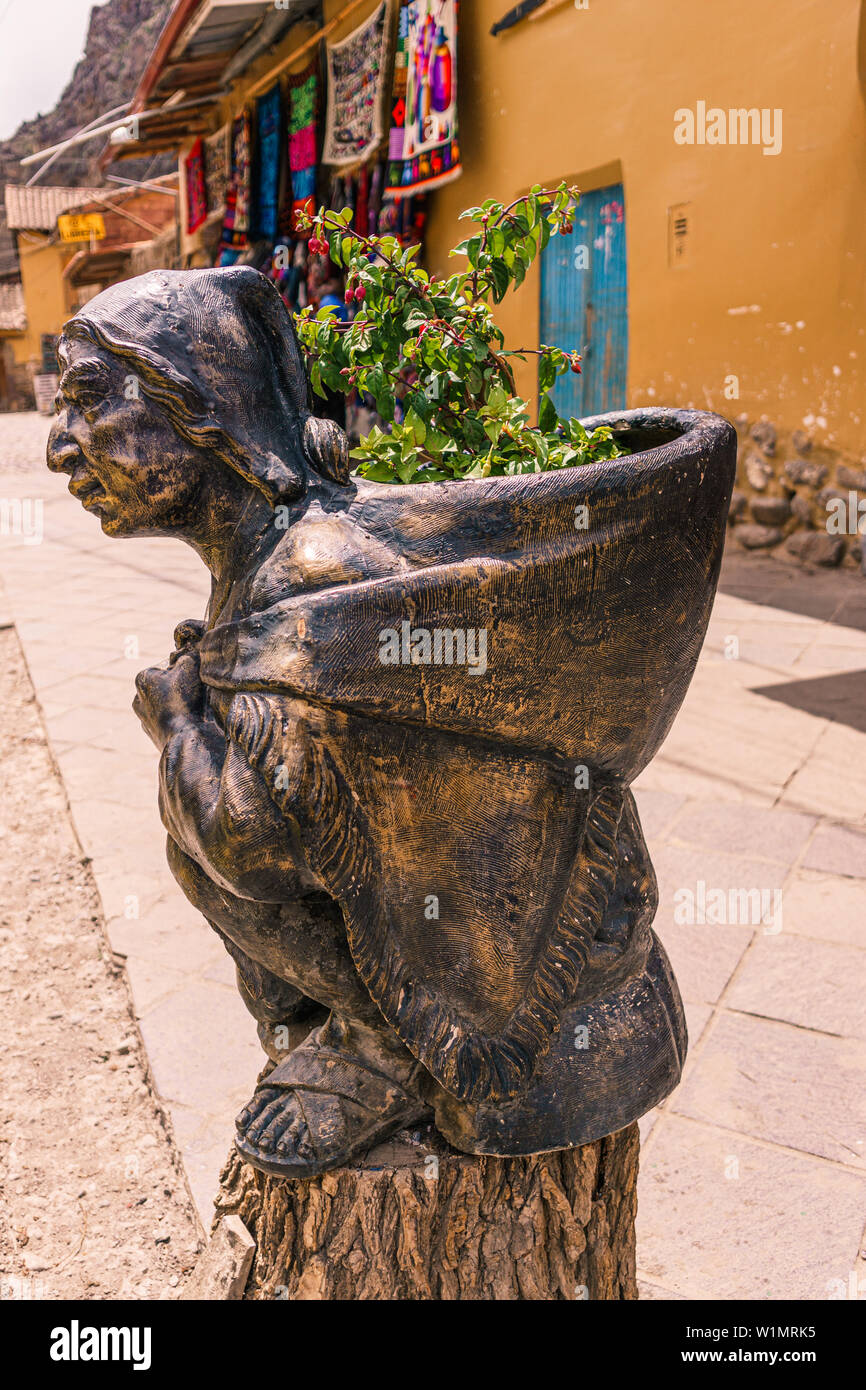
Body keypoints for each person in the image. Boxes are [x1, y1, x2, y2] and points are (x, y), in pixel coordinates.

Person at [48, 265, 703, 1177]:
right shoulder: (273, 560)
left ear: (202, 411)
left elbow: (254, 847)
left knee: (204, 838)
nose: (60, 447)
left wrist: (178, 726)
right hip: (512, 920)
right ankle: (353, 1027)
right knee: (195, 831)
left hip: (536, 975)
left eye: (90, 403)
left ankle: (391, 1047)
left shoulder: (307, 578)